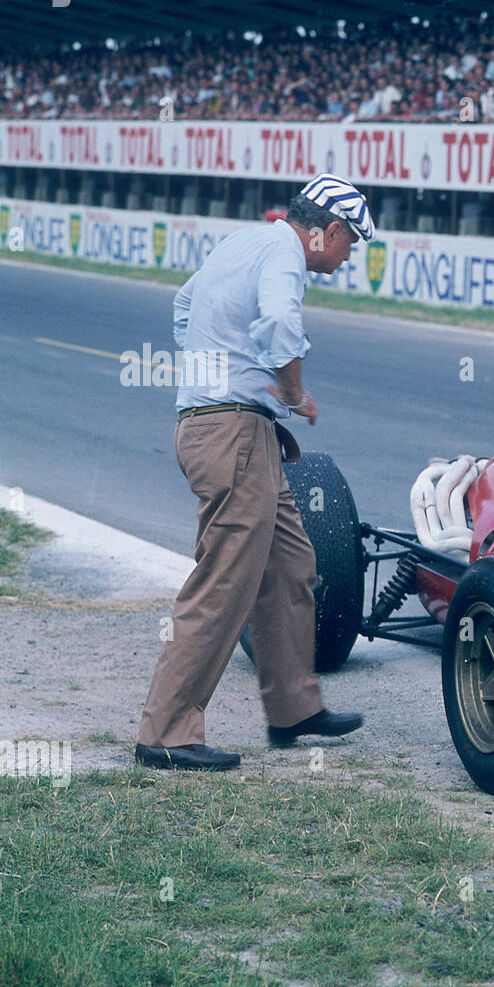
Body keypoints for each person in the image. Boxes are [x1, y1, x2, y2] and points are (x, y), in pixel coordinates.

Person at [134, 174, 370, 772]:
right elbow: (281, 328)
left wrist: (212, 380)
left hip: (237, 428)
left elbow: (184, 306)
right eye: (352, 245)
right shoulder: (286, 257)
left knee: (292, 564)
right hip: (233, 433)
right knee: (224, 583)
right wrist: (290, 392)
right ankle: (165, 731)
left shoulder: (243, 241)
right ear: (329, 232)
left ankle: (294, 709)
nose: (348, 259)